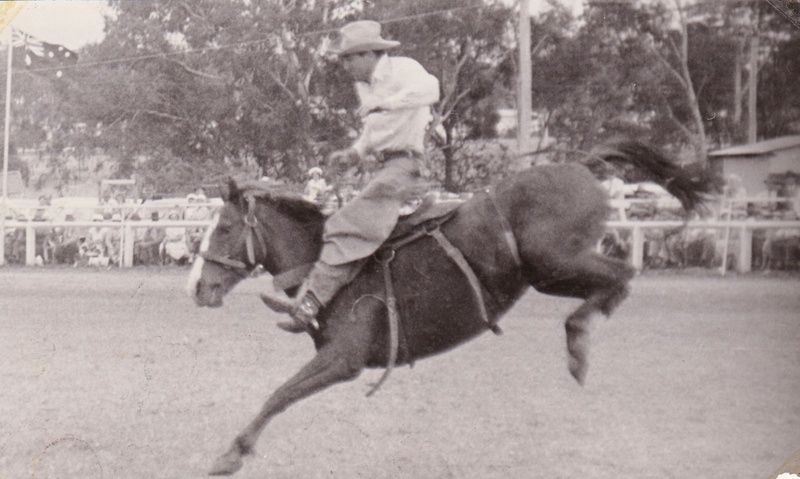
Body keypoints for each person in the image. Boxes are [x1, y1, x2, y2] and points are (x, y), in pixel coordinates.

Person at [261, 20, 440, 333]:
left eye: (348, 58)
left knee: (344, 225)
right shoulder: (364, 86)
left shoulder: (404, 70)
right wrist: (354, 153)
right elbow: (373, 133)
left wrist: (386, 103)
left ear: (368, 54)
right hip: (386, 167)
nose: (344, 65)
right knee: (348, 223)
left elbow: (432, 90)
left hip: (406, 167)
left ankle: (309, 303)